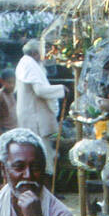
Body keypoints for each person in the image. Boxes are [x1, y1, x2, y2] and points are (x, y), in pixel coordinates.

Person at [14, 40, 64, 174]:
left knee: (42, 153)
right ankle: (44, 190)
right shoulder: (29, 64)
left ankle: (44, 190)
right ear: (35, 53)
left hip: (33, 116)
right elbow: (40, 90)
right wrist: (61, 89)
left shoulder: (29, 63)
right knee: (40, 155)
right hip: (34, 118)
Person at [0, 69, 17, 145]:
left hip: (14, 129)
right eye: (9, 82)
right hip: (5, 131)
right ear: (2, 81)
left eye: (14, 82)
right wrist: (1, 136)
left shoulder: (13, 93)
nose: (12, 85)